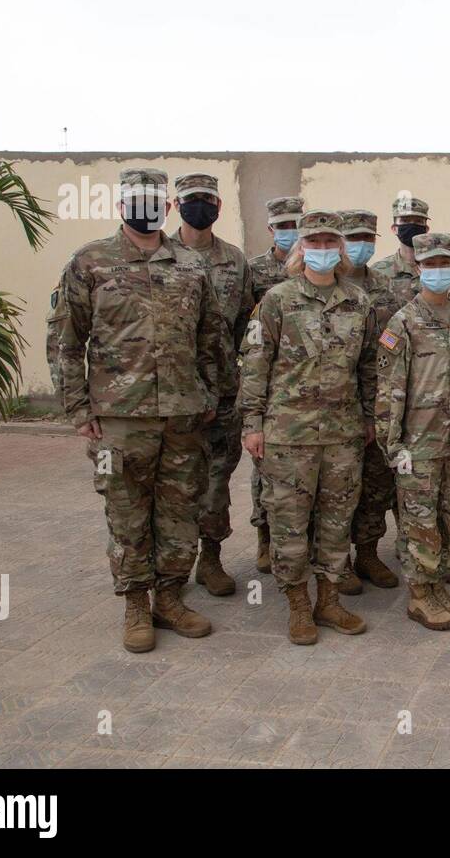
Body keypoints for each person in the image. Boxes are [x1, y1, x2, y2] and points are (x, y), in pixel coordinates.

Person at [47, 167, 220, 653]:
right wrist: (79, 409)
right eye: (135, 199)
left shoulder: (190, 266)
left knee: (180, 511)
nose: (145, 207)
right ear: (121, 205)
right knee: (126, 514)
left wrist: (209, 397)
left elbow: (210, 341)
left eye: (153, 199)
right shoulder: (90, 263)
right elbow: (65, 342)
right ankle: (136, 604)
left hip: (183, 417)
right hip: (120, 419)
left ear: (167, 207)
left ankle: (169, 596)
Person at [239, 210, 374, 644]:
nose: (321, 250)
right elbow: (255, 364)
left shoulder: (358, 301)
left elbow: (370, 366)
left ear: (340, 250)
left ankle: (329, 600)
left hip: (343, 434)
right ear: (301, 249)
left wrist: (370, 418)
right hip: (288, 434)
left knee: (337, 522)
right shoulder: (278, 300)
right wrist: (252, 423)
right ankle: (298, 605)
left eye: (328, 243)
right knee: (290, 523)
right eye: (312, 243)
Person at [376, 233, 450, 631]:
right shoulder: (402, 322)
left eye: (445, 263)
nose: (438, 271)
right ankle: (420, 595)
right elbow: (388, 389)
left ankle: (438, 585)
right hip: (418, 443)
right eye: (431, 264)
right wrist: (393, 445)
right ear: (419, 268)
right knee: (419, 520)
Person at [171, 173, 255, 598]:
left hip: (222, 394)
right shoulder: (159, 257)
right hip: (171, 398)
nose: (199, 206)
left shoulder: (235, 261)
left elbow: (245, 323)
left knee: (216, 480)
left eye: (207, 199)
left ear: (219, 207)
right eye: (192, 199)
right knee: (172, 484)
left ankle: (210, 558)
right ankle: (168, 569)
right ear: (176, 204)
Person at [335, 209, 401, 591]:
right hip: (331, 409)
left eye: (367, 237)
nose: (360, 245)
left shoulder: (384, 291)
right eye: (352, 237)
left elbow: (388, 355)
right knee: (338, 489)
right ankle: (336, 560)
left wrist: (380, 413)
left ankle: (369, 553)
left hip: (376, 406)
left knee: (376, 484)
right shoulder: (319, 286)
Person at [246, 195, 304, 574]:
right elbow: (249, 335)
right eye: (282, 225)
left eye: (294, 224)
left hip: (314, 398)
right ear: (270, 229)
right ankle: (265, 536)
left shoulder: (319, 269)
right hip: (273, 391)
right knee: (265, 472)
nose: (289, 231)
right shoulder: (255, 272)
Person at [371, 195, 430, 310]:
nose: (412, 225)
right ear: (394, 228)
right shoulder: (378, 272)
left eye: (418, 221)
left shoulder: (440, 270)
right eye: (405, 221)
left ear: (426, 229)